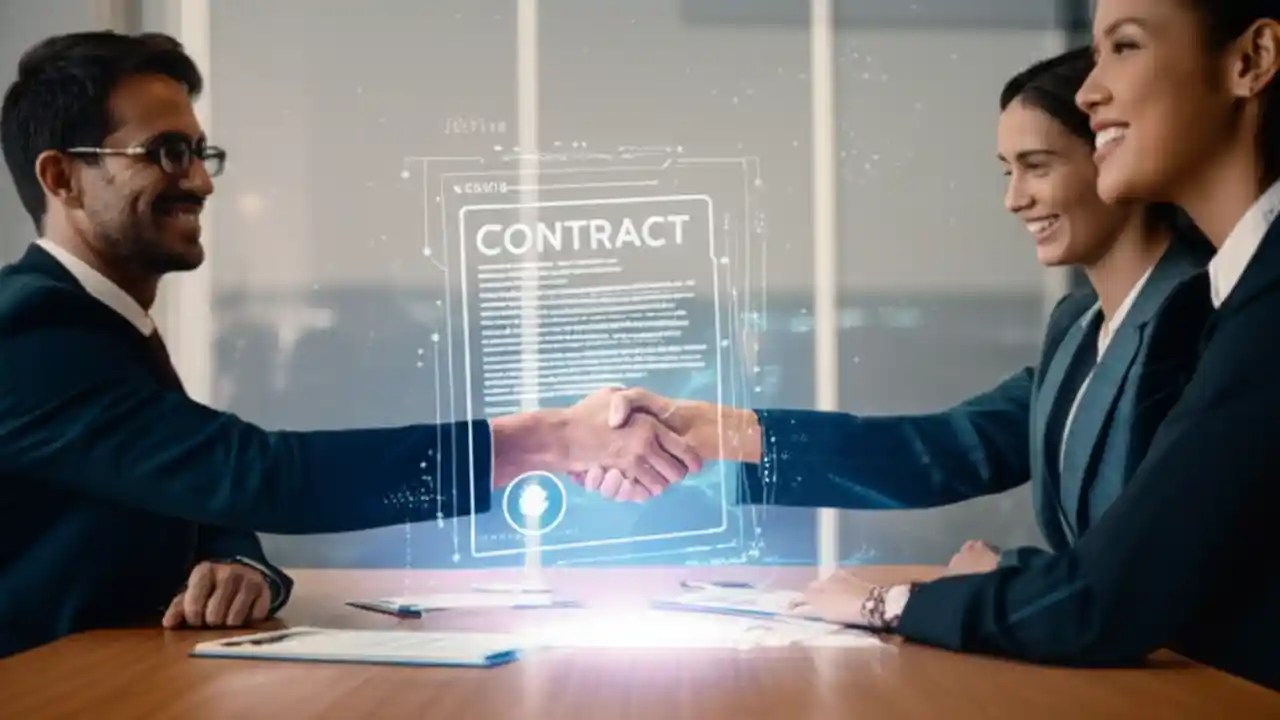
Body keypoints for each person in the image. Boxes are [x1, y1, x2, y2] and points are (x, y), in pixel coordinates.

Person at [0, 31, 699, 657]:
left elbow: (183, 480)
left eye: (201, 152)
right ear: (62, 177)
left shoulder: (104, 323)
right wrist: (550, 439)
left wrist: (242, 564)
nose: (202, 181)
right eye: (167, 153)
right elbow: (259, 476)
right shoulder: (31, 335)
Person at [793, 0, 1280, 691]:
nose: (1091, 89)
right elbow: (942, 449)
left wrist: (891, 603)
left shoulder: (1218, 316)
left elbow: (1124, 591)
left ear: (1251, 60)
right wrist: (717, 439)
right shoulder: (1087, 327)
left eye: (1127, 46)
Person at [585, 47, 1213, 578]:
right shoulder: (1078, 331)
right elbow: (935, 452)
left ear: (1112, 152)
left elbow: (1157, 566)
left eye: (1036, 167)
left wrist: (999, 580)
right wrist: (708, 430)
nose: (1014, 199)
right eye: (1006, 171)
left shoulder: (1201, 319)